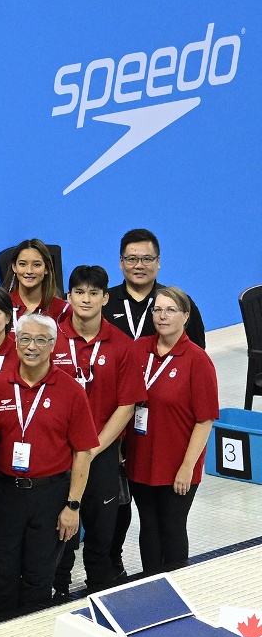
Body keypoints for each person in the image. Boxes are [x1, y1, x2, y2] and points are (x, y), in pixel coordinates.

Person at [0, 315, 96, 612]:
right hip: (5, 492)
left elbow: (83, 452)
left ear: (53, 345)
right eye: (24, 339)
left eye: (40, 340)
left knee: (39, 576)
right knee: (1, 574)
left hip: (50, 494)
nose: (31, 346)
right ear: (15, 342)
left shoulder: (71, 390)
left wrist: (73, 507)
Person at [54, 266, 143, 597]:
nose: (86, 299)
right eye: (79, 292)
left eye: (94, 293)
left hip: (101, 455)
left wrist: (93, 448)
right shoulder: (52, 341)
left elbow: (127, 405)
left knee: (101, 538)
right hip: (60, 455)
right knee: (61, 535)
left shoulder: (122, 345)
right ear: (69, 297)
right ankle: (57, 598)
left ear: (106, 297)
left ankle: (100, 601)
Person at [123, 287, 219, 575]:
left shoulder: (196, 360)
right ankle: (151, 586)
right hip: (141, 458)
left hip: (178, 463)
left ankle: (179, 587)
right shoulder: (139, 349)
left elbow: (205, 420)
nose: (162, 316)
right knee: (148, 526)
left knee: (172, 526)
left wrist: (187, 467)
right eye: (157, 310)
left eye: (170, 310)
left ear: (185, 316)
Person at [105, 228, 206, 347]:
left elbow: (198, 354)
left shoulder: (179, 302)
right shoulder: (103, 302)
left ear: (158, 261)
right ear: (121, 262)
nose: (139, 266)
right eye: (132, 259)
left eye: (147, 259)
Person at [3, 239, 68, 323]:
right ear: (14, 267)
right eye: (22, 264)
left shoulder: (62, 310)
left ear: (46, 268)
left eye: (36, 265)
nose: (29, 271)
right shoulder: (2, 306)